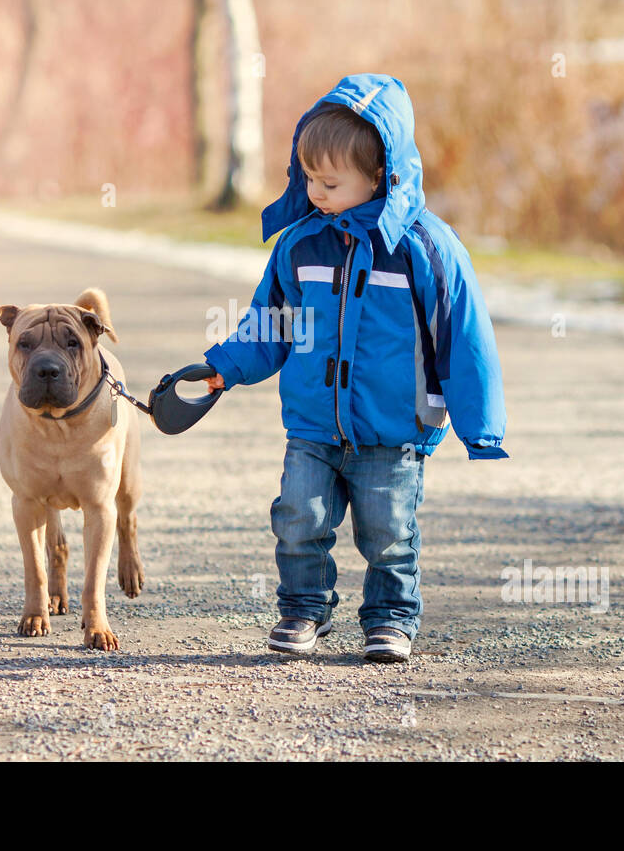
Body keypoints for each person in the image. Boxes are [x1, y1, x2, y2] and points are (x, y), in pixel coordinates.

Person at [200, 73, 508, 663]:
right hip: (313, 425)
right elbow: (271, 322)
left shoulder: (425, 248)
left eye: (330, 181)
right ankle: (302, 610)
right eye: (309, 177)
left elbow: (464, 337)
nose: (315, 191)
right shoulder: (299, 246)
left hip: (392, 432)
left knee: (388, 535)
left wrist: (480, 424)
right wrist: (222, 368)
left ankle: (390, 619)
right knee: (297, 519)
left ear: (380, 175)